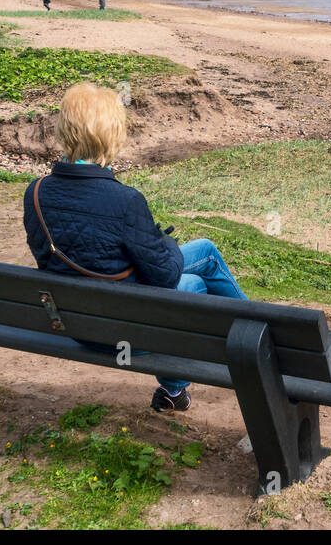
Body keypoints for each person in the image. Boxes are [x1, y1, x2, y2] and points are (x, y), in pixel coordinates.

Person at [23, 82, 248, 412]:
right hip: (128, 332)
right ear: (112, 135)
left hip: (77, 324)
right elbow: (165, 276)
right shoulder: (125, 200)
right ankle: (264, 339)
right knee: (195, 283)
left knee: (204, 249)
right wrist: (164, 241)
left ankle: (175, 392)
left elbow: (49, 258)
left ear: (65, 131)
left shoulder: (36, 193)